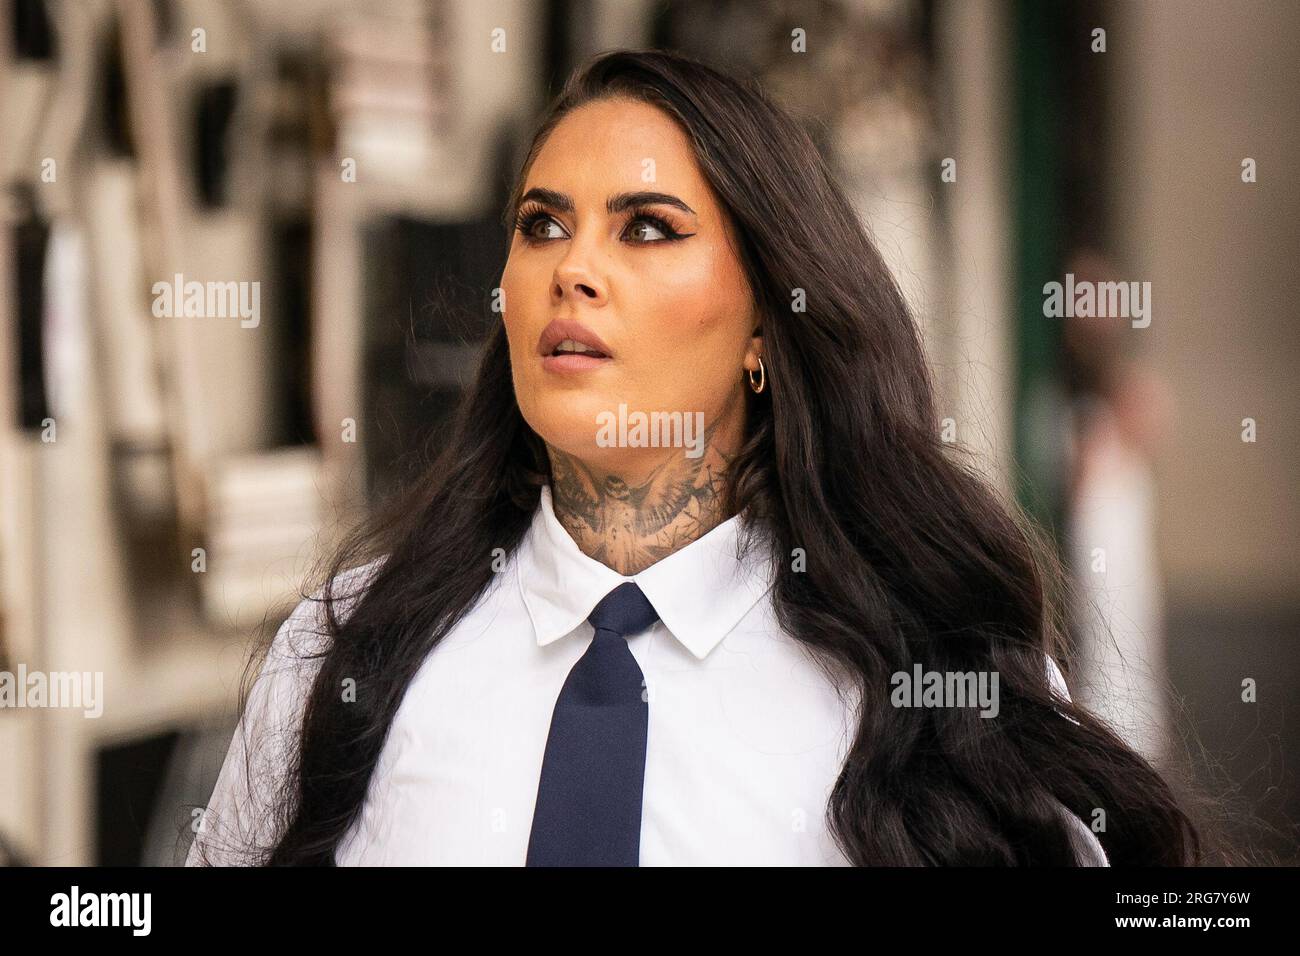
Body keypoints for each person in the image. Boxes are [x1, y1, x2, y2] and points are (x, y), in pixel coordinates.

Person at [187, 48, 1200, 866]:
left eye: (646, 228)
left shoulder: (933, 678)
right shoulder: (345, 653)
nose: (573, 268)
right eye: (542, 224)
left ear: (766, 319)